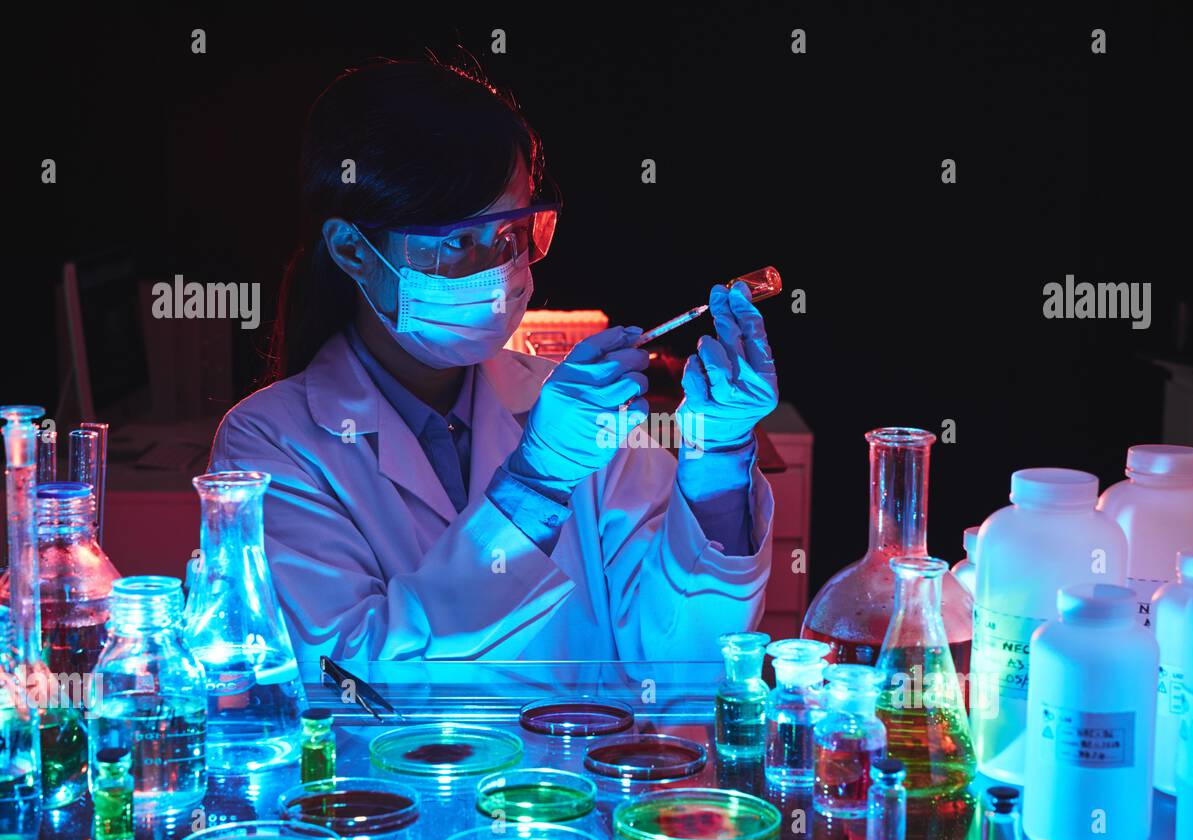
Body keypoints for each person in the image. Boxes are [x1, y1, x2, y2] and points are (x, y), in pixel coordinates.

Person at [209, 58, 778, 663]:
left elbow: (683, 662)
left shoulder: (574, 413)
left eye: (509, 236)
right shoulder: (269, 444)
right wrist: (534, 485)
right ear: (352, 248)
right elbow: (349, 678)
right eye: (456, 241)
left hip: (581, 761)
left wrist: (716, 463)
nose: (497, 272)